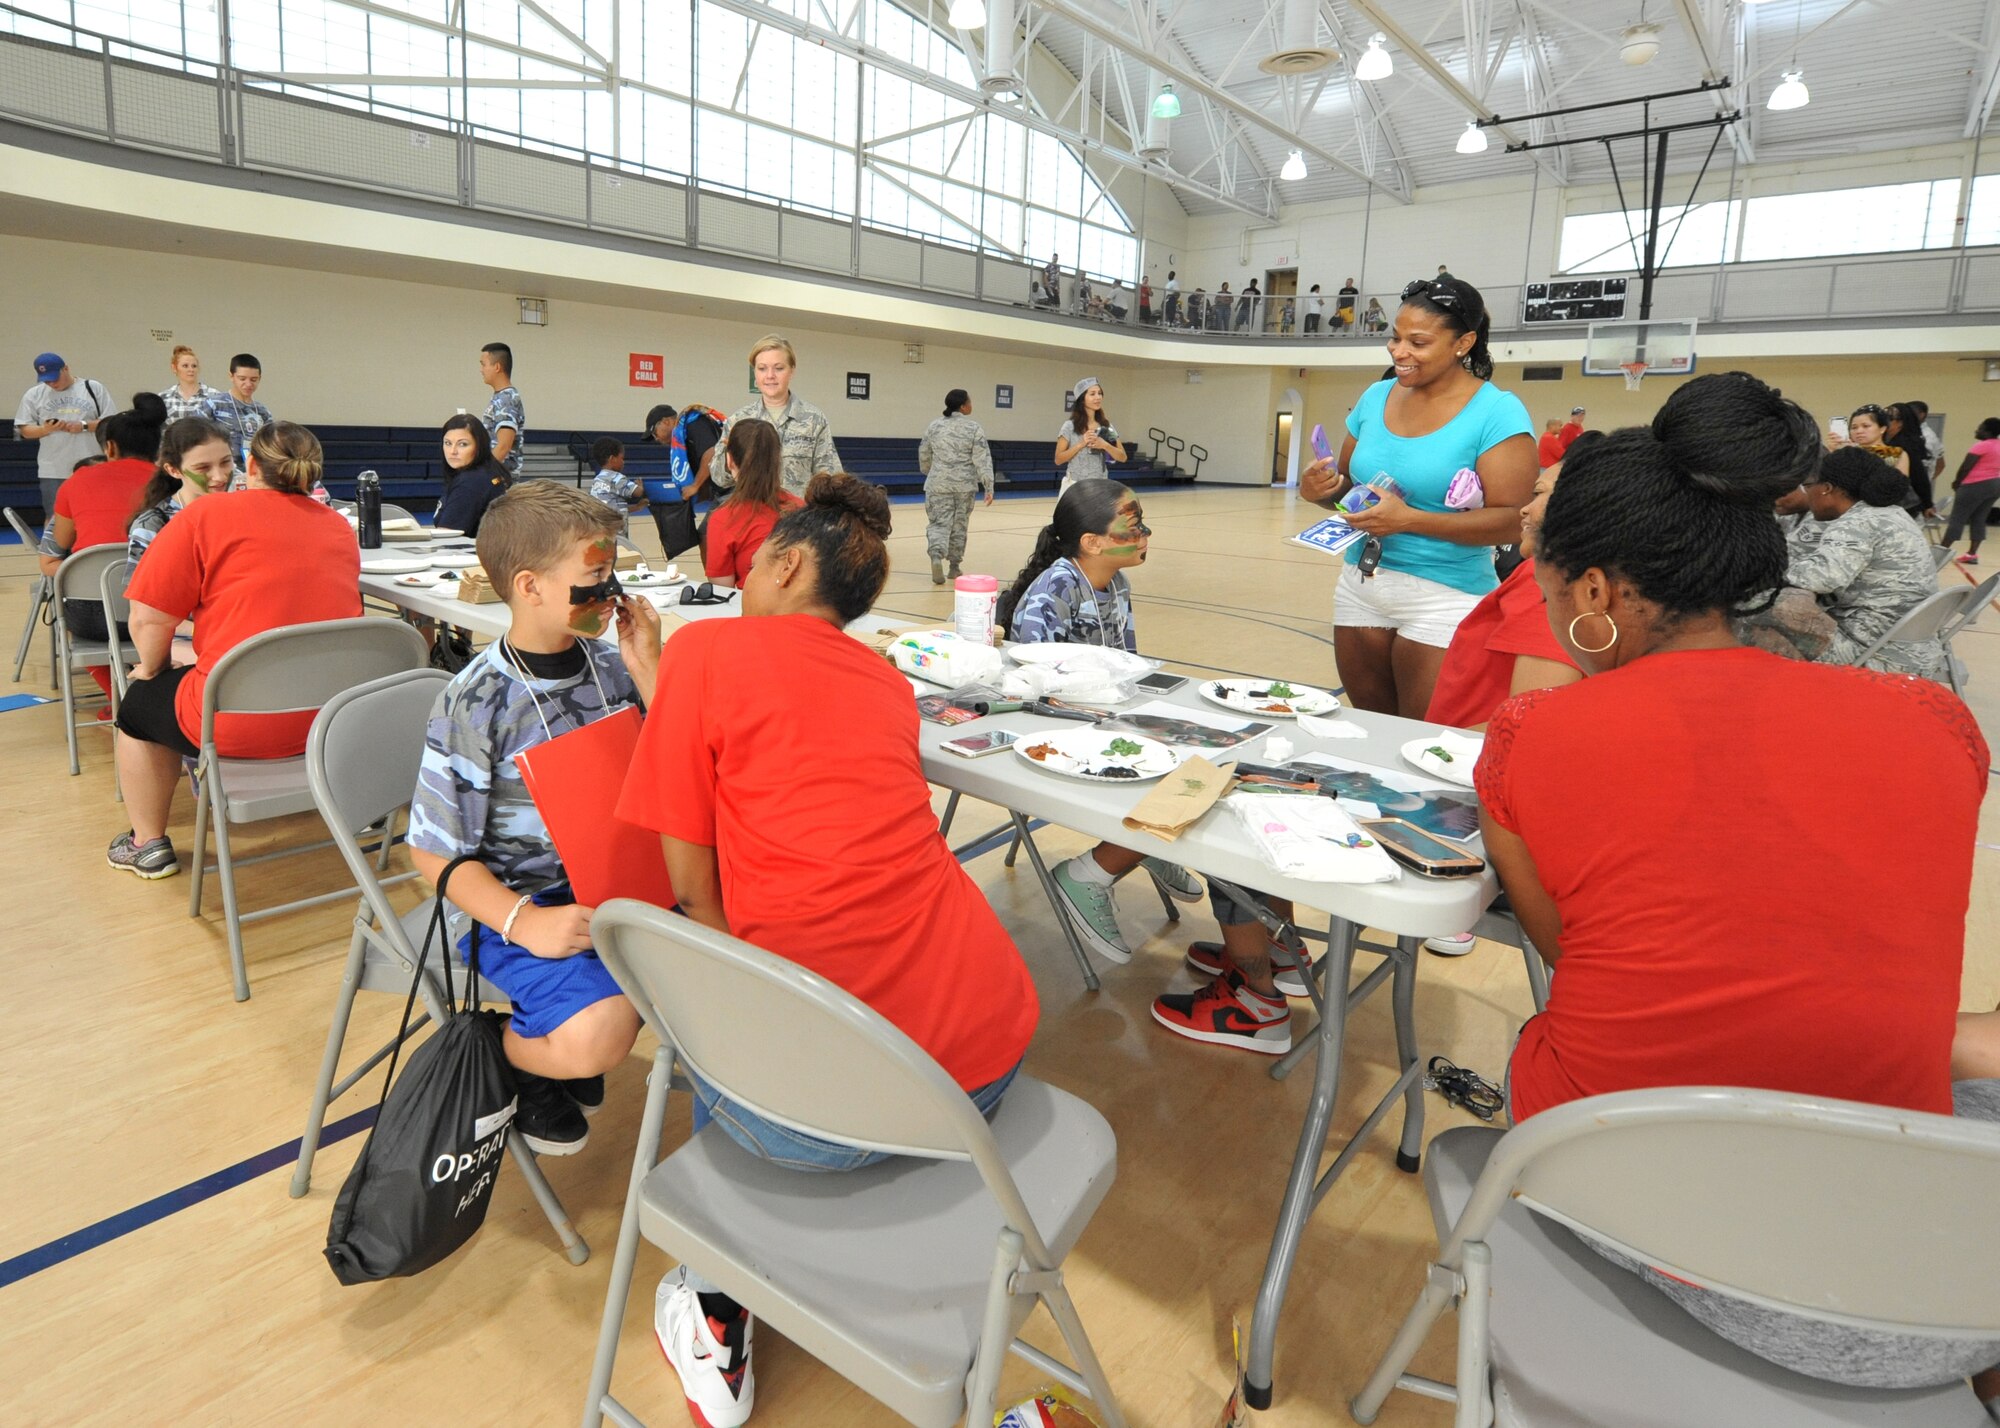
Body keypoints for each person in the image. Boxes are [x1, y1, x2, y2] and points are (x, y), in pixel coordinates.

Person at [1476, 368, 2000, 1399]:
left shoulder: (1532, 738)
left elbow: (1579, 959)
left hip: (1653, 1232)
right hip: (1945, 1296)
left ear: (1593, 593)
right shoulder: (1934, 729)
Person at [618, 473, 1038, 1428]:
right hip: (983, 1068)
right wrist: (658, 668)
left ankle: (715, 1301)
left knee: (693, 979)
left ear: (788, 562)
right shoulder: (884, 680)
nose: (740, 579)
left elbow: (691, 888)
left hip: (817, 1122)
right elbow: (755, 733)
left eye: (750, 565)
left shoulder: (712, 649)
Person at [408, 481, 661, 1155]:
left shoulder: (611, 667)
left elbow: (673, 775)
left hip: (618, 882)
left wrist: (649, 672)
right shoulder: (477, 703)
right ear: (530, 587)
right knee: (598, 1038)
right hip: (524, 903)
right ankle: (507, 1047)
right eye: (596, 577)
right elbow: (435, 856)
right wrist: (528, 922)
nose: (612, 595)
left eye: (613, 575)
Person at [108, 422, 361, 880]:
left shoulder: (204, 517)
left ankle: (147, 844)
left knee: (138, 706)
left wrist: (154, 668)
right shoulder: (340, 528)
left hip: (233, 723)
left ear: (250, 465)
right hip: (329, 720)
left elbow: (146, 619)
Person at [1298, 273, 1537, 719]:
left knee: (1419, 737)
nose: (1399, 352)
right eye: (1395, 338)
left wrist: (1409, 521)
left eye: (1418, 343)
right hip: (1362, 585)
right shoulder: (1376, 395)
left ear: (1463, 343)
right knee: (1371, 727)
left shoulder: (1496, 411)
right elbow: (1351, 490)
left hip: (1445, 593)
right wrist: (1322, 492)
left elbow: (1512, 520)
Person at [997, 482, 1206, 964]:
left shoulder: (1116, 583)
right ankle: (1101, 866)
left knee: (1195, 757)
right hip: (1054, 726)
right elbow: (1036, 686)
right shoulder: (1054, 590)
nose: (1145, 536)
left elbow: (1125, 663)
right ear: (1092, 542)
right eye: (1134, 529)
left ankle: (1137, 843)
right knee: (1165, 765)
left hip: (1101, 711)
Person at [38, 393, 165, 699]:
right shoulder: (171, 483)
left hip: (92, 614)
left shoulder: (77, 481)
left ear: (110, 447)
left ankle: (118, 696)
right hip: (157, 611)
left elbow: (61, 543)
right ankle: (149, 688)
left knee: (69, 618)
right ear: (158, 449)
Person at [1788, 445, 1946, 680]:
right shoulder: (1891, 513)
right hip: (1913, 648)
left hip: (1879, 656)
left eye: (1807, 486)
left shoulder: (1856, 523)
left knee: (1757, 617)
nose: (1806, 494)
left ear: (1827, 488)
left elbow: (1819, 578)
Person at [710, 335, 839, 499]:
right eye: (762, 368)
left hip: (798, 520)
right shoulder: (738, 421)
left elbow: (830, 478)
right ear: (754, 373)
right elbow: (719, 478)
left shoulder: (814, 419)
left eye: (779, 368)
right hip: (755, 519)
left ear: (792, 370)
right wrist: (730, 457)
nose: (770, 375)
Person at [128, 415, 233, 573]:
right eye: (203, 468)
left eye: (226, 462)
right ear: (173, 470)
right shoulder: (152, 525)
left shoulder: (242, 512)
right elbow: (141, 596)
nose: (219, 476)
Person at [702, 421, 799, 588]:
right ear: (777, 459)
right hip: (803, 610)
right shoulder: (802, 509)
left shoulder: (724, 518)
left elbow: (723, 590)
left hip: (753, 608)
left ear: (730, 460)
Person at [16, 352, 115, 514]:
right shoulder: (33, 395)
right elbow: (25, 429)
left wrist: (83, 426)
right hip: (53, 468)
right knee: (54, 514)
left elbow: (110, 422)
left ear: (66, 369)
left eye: (55, 378)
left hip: (91, 463)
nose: (52, 383)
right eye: (46, 380)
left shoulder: (92, 388)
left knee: (95, 511)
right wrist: (44, 429)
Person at [917, 387, 995, 584]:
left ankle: (936, 555)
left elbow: (924, 453)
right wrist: (989, 485)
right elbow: (982, 459)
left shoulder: (934, 426)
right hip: (964, 486)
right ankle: (954, 567)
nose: (971, 405)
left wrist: (930, 472)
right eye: (969, 401)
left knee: (938, 523)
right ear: (963, 406)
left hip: (938, 484)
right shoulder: (974, 428)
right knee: (959, 525)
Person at [436, 413, 512, 537]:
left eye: (463, 444)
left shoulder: (471, 482)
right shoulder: (487, 472)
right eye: (448, 443)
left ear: (479, 447)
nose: (452, 451)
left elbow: (447, 536)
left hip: (472, 554)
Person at [1941, 417, 2000, 566]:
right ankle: (1972, 554)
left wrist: (1957, 482)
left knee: (1957, 518)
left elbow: (1966, 466)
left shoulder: (1981, 446)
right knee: (1979, 519)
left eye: (1980, 427)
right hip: (1995, 485)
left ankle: (1940, 552)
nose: (1977, 430)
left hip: (1974, 484)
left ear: (1987, 431)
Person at [1054, 377, 1126, 495]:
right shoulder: (1069, 426)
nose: (1098, 397)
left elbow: (1122, 457)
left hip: (1100, 486)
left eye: (1100, 393)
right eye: (1092, 394)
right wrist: (1081, 444)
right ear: (1082, 399)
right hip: (1075, 487)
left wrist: (1105, 445)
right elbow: (1058, 459)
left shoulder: (1106, 426)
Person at [201, 354, 273, 466]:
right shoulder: (214, 404)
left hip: (253, 472)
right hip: (221, 471)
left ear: (260, 378)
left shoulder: (263, 412)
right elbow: (193, 436)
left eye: (254, 379)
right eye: (242, 379)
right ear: (231, 376)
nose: (248, 384)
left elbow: (269, 446)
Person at [478, 342, 525, 480]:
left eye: (483, 364)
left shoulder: (506, 399)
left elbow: (504, 446)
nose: (481, 370)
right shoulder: (501, 397)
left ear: (497, 367)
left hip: (499, 481)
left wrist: (480, 475)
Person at [1886, 401, 1935, 515]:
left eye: (1889, 420)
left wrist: (1927, 504)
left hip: (1905, 503)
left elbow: (1918, 475)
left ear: (1900, 423)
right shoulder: (1891, 442)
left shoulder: (1902, 445)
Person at [157, 346, 224, 424]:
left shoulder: (214, 395)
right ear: (174, 368)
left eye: (194, 366)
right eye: (185, 366)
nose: (191, 370)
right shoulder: (164, 397)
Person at [587, 437, 645, 523]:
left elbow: (614, 508)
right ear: (612, 459)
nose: (623, 462)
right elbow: (637, 492)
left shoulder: (597, 480)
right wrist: (640, 485)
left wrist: (637, 507)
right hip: (616, 531)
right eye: (621, 458)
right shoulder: (615, 478)